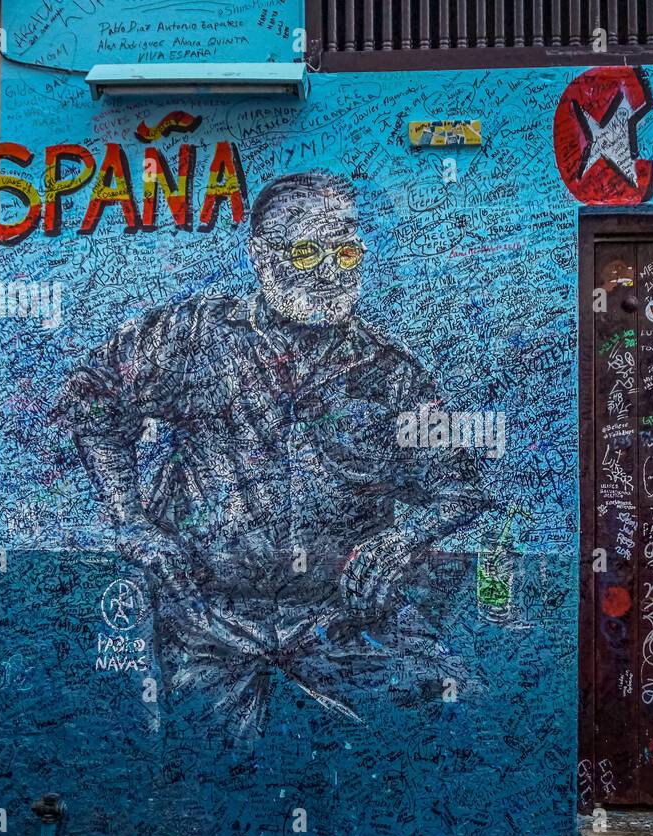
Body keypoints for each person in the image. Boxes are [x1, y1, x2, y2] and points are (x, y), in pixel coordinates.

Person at [57, 171, 485, 738]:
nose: (332, 272)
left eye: (346, 251)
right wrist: (131, 522)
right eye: (308, 252)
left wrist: (402, 540)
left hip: (344, 617)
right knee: (202, 781)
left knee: (464, 721)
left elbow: (458, 484)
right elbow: (91, 398)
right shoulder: (195, 336)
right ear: (262, 256)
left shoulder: (390, 372)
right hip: (207, 615)